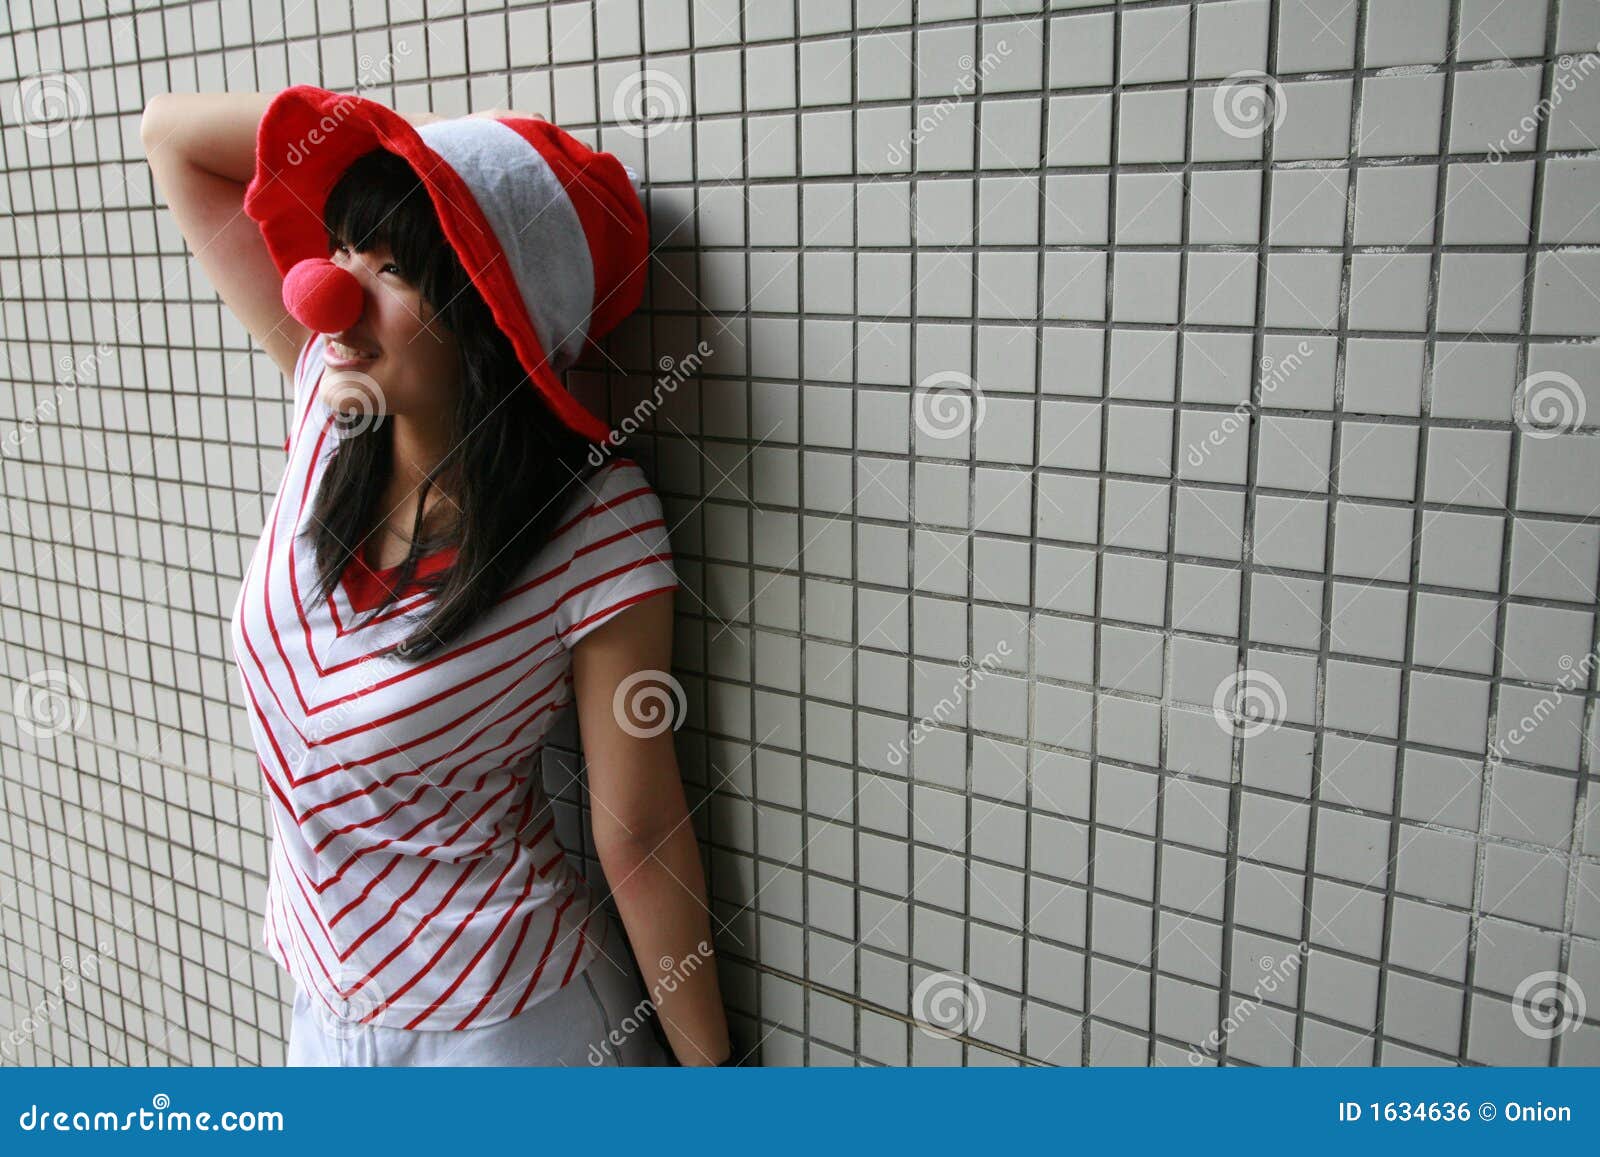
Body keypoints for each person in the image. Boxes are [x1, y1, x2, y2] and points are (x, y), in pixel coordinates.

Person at [138, 87, 734, 1067]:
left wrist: (720, 1086)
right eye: (342, 250)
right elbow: (172, 137)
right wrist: (421, 156)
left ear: (493, 315)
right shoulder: (330, 405)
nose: (327, 295)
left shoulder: (595, 522)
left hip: (508, 1032)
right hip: (322, 1014)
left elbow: (641, 830)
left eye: (394, 268)